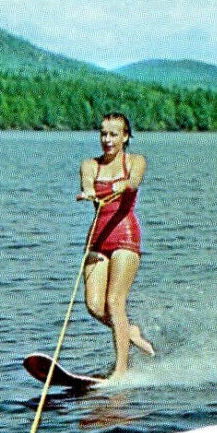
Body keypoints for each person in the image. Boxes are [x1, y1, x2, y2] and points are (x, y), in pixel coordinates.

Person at [77, 112, 154, 379]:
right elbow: (88, 184)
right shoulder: (90, 165)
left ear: (125, 137)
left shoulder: (135, 161)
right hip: (98, 237)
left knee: (114, 301)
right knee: (94, 305)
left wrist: (122, 185)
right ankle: (130, 332)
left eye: (113, 134)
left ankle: (120, 371)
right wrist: (89, 192)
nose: (107, 139)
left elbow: (134, 181)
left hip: (125, 235)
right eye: (103, 134)